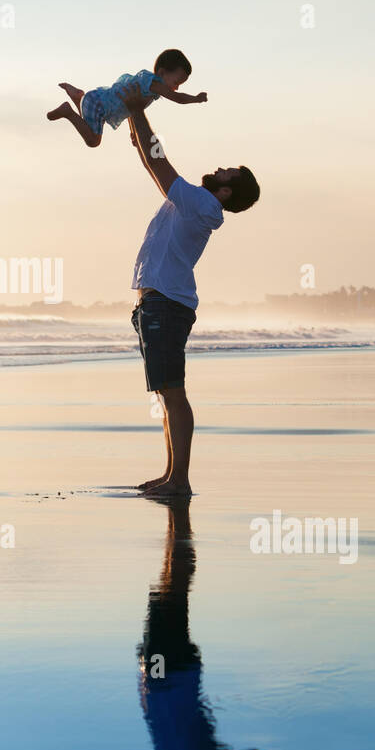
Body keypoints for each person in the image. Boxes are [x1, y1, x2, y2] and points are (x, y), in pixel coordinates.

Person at [123, 93, 259, 496]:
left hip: (166, 303)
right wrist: (137, 125)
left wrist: (136, 109)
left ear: (227, 191)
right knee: (167, 393)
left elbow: (159, 164)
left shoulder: (203, 204)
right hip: (157, 302)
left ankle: (179, 479)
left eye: (227, 172)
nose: (218, 169)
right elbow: (153, 163)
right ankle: (170, 476)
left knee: (174, 393)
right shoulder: (193, 201)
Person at [46, 48, 206, 148]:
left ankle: (78, 97)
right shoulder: (154, 83)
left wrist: (133, 131)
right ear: (162, 73)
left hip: (96, 100)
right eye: (176, 82)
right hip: (99, 105)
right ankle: (68, 111)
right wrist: (196, 99)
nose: (175, 88)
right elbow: (177, 98)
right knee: (93, 141)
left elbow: (131, 109)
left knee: (87, 128)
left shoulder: (147, 87)